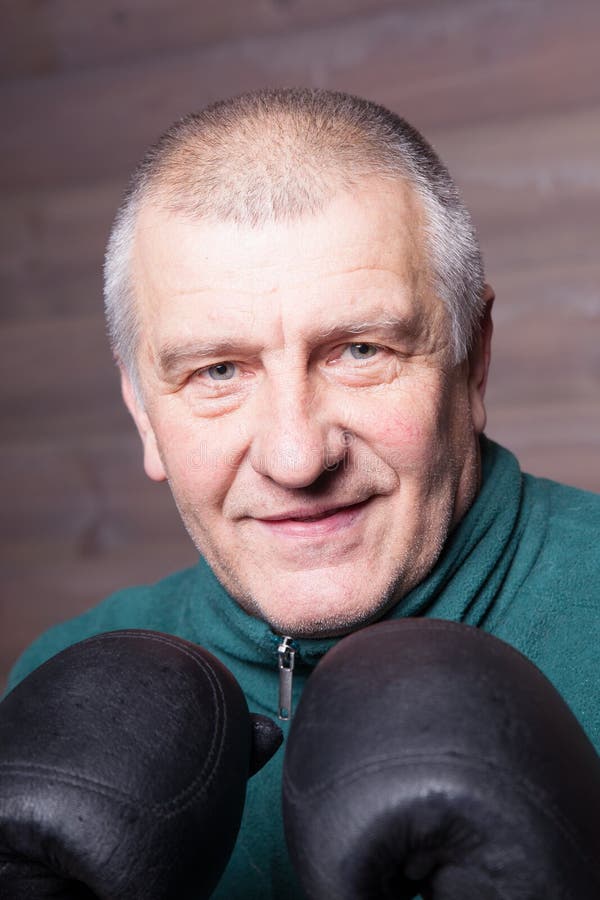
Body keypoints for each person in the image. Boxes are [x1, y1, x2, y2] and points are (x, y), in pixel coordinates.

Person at [6, 88, 600, 898]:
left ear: (474, 361)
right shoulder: (56, 683)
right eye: (218, 371)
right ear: (143, 410)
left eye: (360, 350)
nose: (295, 457)